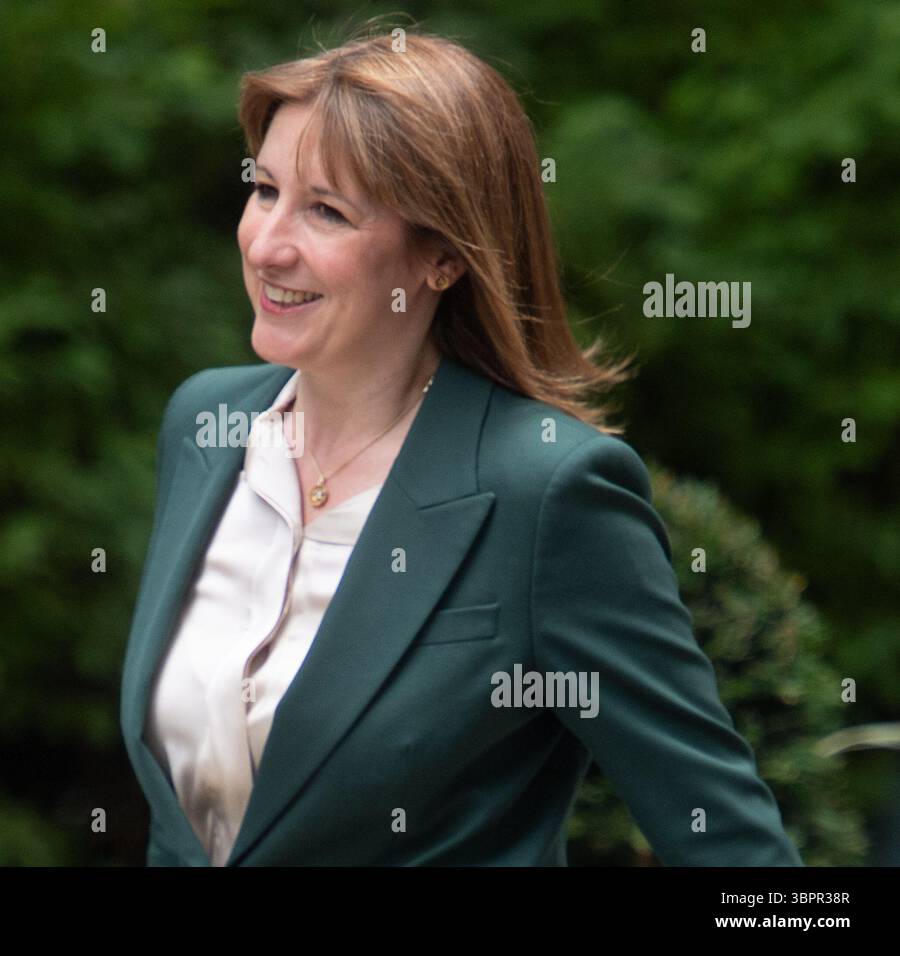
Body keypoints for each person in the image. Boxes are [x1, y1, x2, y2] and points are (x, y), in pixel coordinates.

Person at [119, 28, 803, 866]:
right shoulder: (204, 424)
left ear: (442, 257)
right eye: (264, 190)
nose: (267, 244)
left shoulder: (550, 490)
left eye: (326, 210)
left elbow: (734, 849)